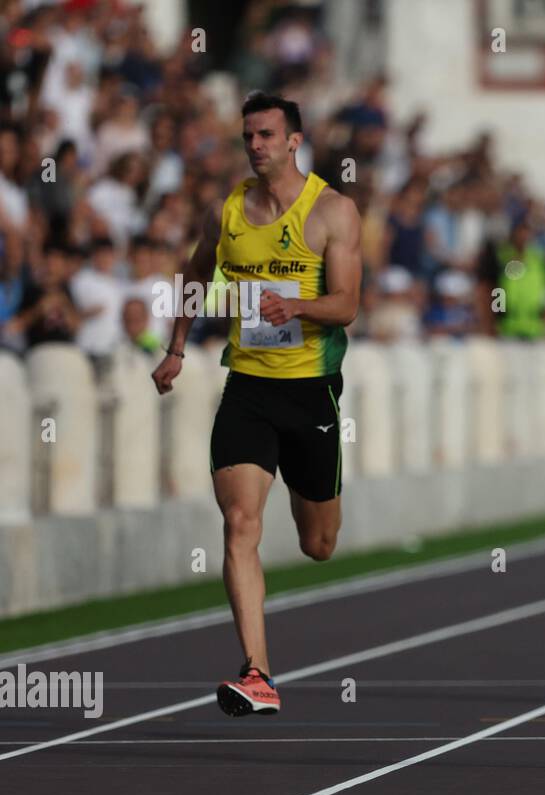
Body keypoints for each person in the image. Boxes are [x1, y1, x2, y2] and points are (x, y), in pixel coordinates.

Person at [151, 91, 361, 716]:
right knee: (241, 524)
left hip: (311, 392)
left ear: (294, 140)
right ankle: (257, 672)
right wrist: (177, 348)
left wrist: (296, 305)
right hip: (246, 386)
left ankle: (310, 497)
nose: (256, 145)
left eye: (267, 135)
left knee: (317, 542)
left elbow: (348, 304)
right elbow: (194, 273)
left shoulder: (332, 211)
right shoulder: (230, 212)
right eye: (248, 136)